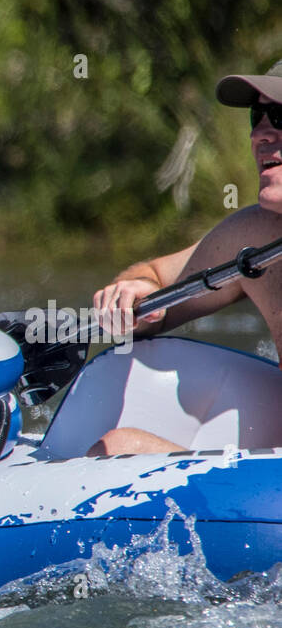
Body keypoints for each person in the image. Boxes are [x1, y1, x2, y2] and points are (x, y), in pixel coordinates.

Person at [89, 60, 282, 454]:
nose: (261, 133)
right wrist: (136, 294)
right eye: (256, 116)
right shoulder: (255, 235)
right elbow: (155, 277)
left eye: (279, 116)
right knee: (118, 447)